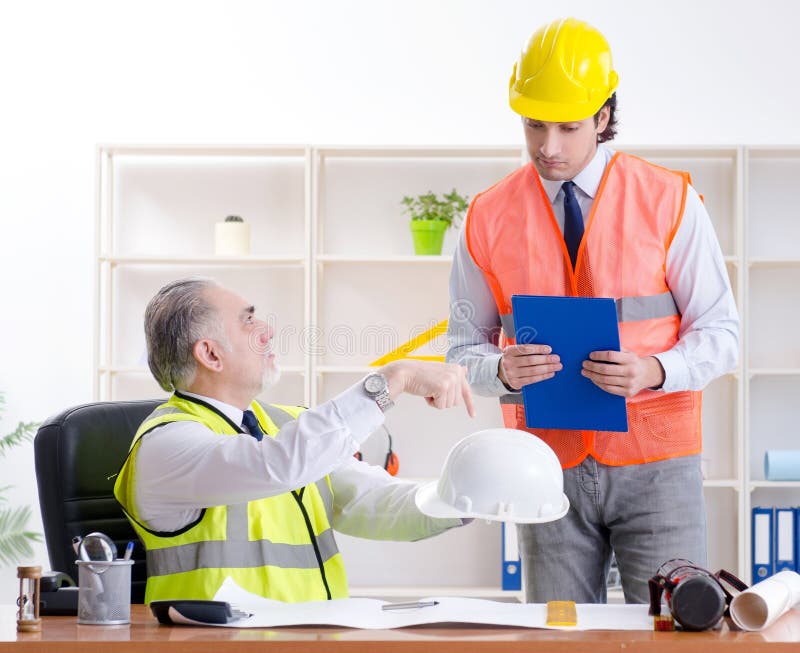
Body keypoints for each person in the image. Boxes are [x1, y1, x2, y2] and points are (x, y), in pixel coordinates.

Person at [447, 17, 739, 604]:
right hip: (542, 467)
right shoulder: (487, 214)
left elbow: (723, 333)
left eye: (567, 127)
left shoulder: (669, 199)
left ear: (603, 117)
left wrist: (655, 370)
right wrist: (500, 371)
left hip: (657, 465)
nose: (548, 146)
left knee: (673, 636)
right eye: (533, 125)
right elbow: (462, 350)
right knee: (556, 640)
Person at [114, 277, 475, 604]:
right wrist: (393, 380)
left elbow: (374, 502)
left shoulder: (287, 425)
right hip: (219, 644)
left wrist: (469, 496)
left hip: (313, 637)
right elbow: (277, 464)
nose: (267, 331)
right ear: (210, 354)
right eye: (248, 321)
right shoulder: (165, 444)